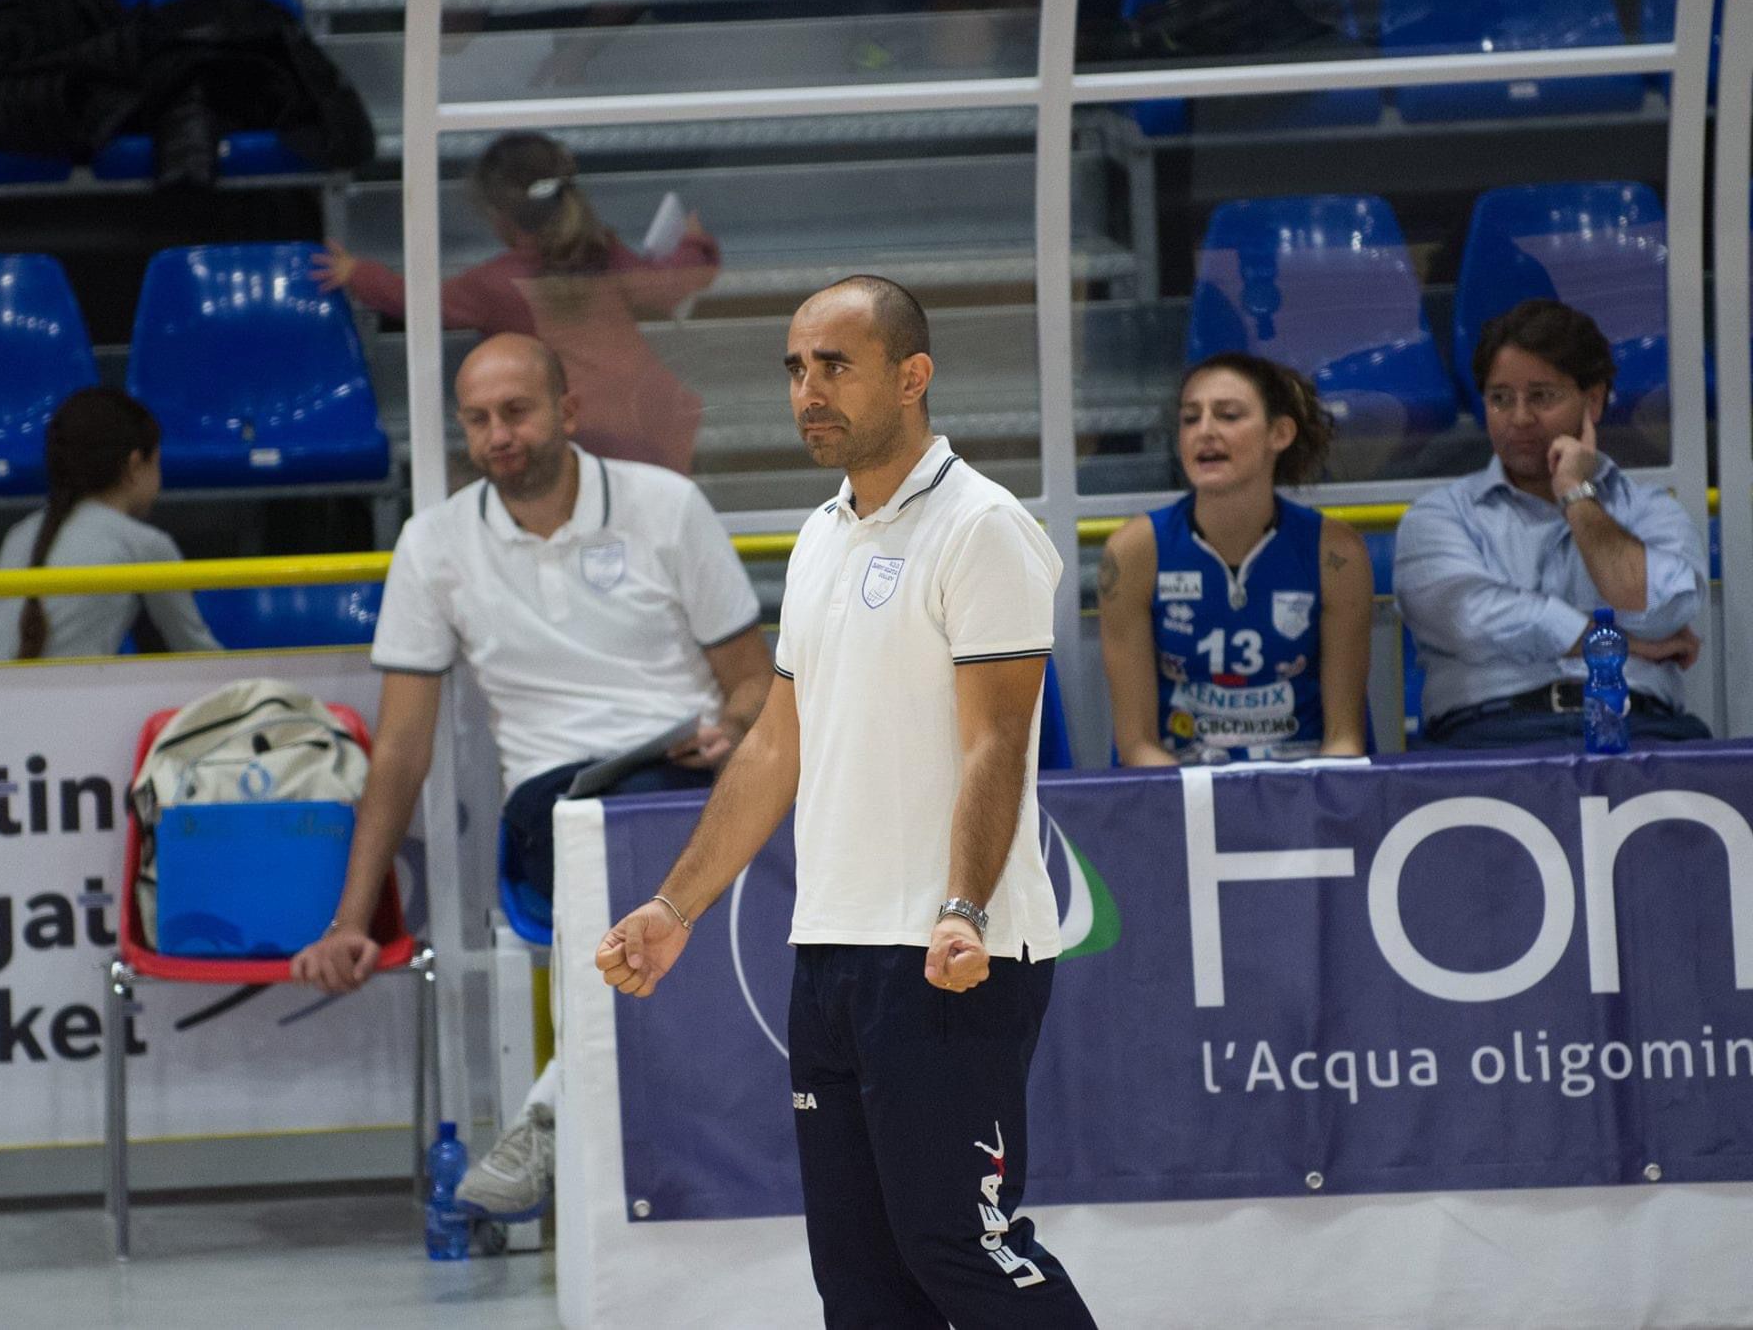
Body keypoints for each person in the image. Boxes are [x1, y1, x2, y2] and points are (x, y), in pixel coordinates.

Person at [597, 277, 1097, 1328]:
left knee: (964, 1249)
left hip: (947, 955)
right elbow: (776, 744)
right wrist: (674, 907)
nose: (806, 390)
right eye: (794, 367)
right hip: (829, 953)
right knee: (861, 1286)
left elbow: (997, 739)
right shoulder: (822, 532)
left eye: (834, 365)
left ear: (911, 376)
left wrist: (960, 905)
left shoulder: (981, 526)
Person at [290, 332, 771, 1221]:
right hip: (555, 798)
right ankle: (573, 1117)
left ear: (568, 412)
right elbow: (400, 748)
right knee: (624, 837)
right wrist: (351, 919)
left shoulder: (667, 507)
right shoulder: (433, 544)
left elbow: (752, 680)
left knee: (703, 837)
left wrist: (733, 727)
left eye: (516, 411)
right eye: (477, 420)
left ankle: (544, 1114)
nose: (497, 435)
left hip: (690, 779)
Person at [1395, 299, 1710, 750]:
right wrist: (1617, 642)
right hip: (1488, 739)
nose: (1519, 418)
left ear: (1593, 400)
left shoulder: (1650, 511)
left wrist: (1577, 496)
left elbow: (1661, 613)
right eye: (1500, 399)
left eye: (1542, 396)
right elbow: (1468, 618)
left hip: (1638, 732)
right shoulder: (1440, 514)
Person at [310, 131, 721, 473]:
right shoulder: (600, 250)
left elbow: (419, 302)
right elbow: (667, 286)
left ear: (496, 215)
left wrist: (356, 272)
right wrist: (691, 244)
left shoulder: (496, 283)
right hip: (658, 413)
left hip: (585, 434)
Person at [1099, 353, 1372, 765]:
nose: (1204, 431)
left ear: (1279, 433)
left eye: (1228, 415)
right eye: (1190, 419)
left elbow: (1343, 739)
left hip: (1300, 791)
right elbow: (1137, 745)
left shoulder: (1336, 553)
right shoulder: (1134, 550)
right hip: (1177, 790)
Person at [0, 387, 220, 662]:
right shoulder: (145, 545)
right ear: (136, 465)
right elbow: (201, 657)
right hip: (38, 701)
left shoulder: (20, 533)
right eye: (157, 463)